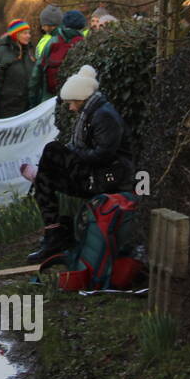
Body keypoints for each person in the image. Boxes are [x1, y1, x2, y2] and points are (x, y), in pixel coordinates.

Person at [22, 65, 134, 263]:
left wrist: (72, 152)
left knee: (52, 151)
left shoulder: (103, 116)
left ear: (81, 98)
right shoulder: (92, 112)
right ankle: (53, 233)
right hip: (95, 173)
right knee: (44, 179)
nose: (70, 108)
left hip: (105, 177)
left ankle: (55, 236)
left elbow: (103, 155)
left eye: (71, 103)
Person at [29, 10, 86, 108]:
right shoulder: (85, 44)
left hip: (49, 99)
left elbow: (37, 72)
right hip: (73, 101)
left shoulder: (53, 41)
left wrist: (32, 101)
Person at [0, 19, 35, 119]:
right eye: (24, 33)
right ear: (15, 34)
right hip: (6, 109)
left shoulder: (29, 54)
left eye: (29, 33)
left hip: (26, 109)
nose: (28, 36)